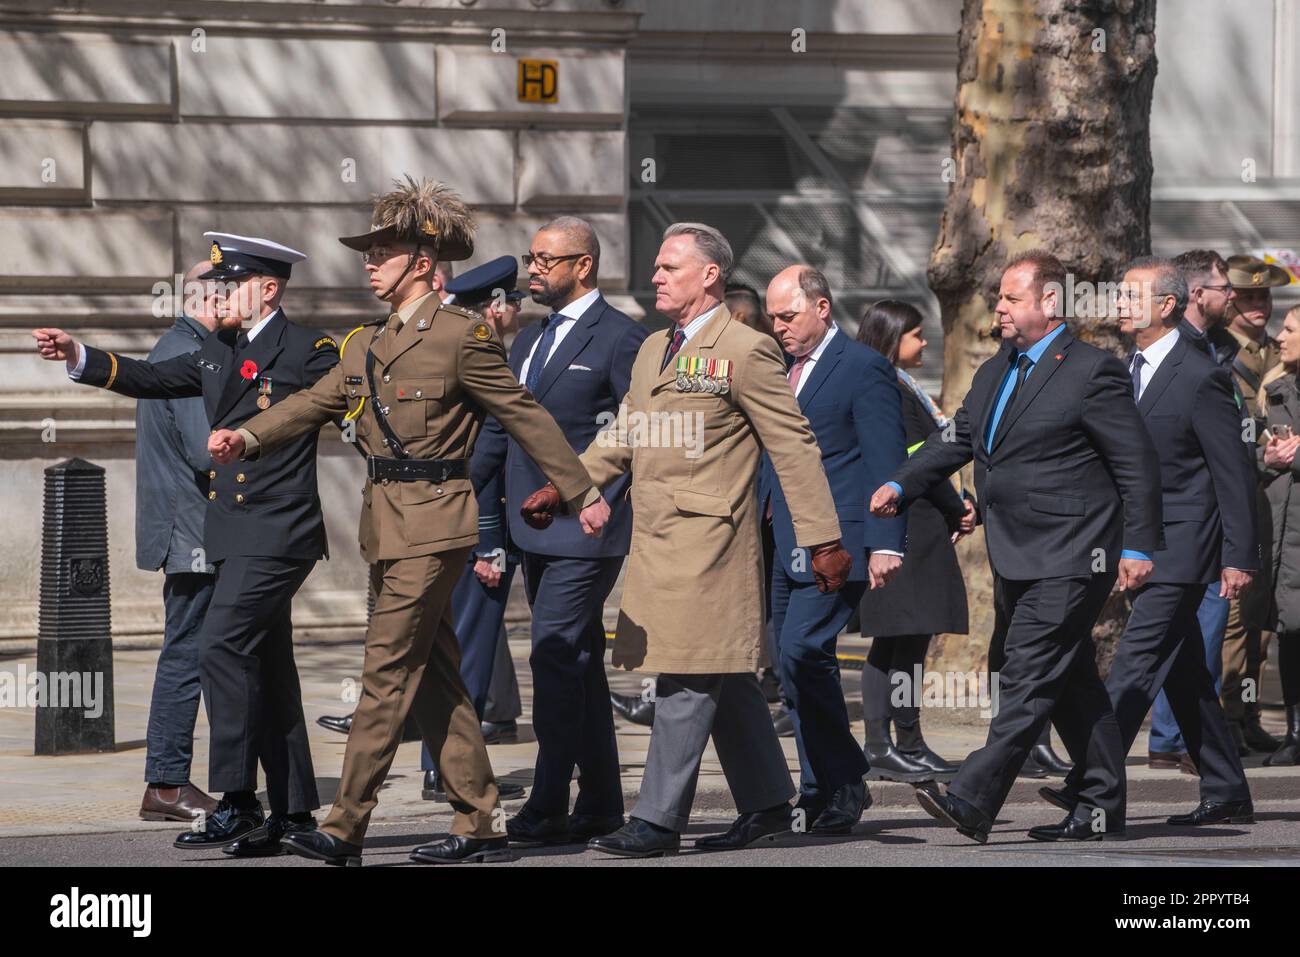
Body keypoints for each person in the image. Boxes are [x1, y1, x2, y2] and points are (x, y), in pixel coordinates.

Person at [207, 177, 609, 866]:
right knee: (434, 678)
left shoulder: (460, 337)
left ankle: (344, 826)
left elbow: (525, 416)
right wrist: (246, 437)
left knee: (386, 667)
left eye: (383, 251)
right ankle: (480, 819)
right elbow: (310, 403)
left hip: (437, 523)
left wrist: (582, 489)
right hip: (386, 525)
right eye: (368, 251)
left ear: (422, 262)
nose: (369, 262)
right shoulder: (366, 342)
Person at [528, 222, 852, 857]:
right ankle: (766, 806)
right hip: (656, 539)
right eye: (655, 268)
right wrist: (566, 486)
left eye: (668, 268)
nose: (655, 277)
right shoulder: (654, 349)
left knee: (685, 677)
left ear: (710, 276)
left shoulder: (748, 349)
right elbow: (624, 432)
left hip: (711, 544)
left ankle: (657, 819)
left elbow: (793, 448)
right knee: (721, 674)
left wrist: (823, 540)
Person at [34, 233, 332, 856]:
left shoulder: (310, 350)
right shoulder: (217, 350)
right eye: (215, 284)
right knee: (269, 667)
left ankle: (238, 803)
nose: (218, 295)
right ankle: (296, 811)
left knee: (220, 648)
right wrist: (80, 354)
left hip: (279, 531)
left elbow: (359, 415)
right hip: (231, 532)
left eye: (232, 284)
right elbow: (149, 376)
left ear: (268, 290)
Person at [871, 249, 1162, 843]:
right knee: (1071, 681)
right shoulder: (995, 369)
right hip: (1015, 553)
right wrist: (902, 483)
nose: (998, 308)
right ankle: (1101, 803)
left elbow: (1137, 466)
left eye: (1009, 297)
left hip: (1076, 554)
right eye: (999, 298)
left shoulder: (1091, 370)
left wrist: (1138, 546)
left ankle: (974, 797)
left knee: (1026, 675)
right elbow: (956, 440)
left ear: (1049, 303)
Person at [1036, 256, 1257, 837]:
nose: (1121, 303)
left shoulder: (1201, 373)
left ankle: (1093, 792)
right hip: (1138, 543)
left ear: (1166, 305)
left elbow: (1230, 471)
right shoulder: (1119, 368)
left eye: (1133, 295)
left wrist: (1238, 555)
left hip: (1184, 548)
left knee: (1131, 671)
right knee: (1184, 675)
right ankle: (1228, 790)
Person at [467, 217, 648, 847]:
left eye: (546, 260)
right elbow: (501, 428)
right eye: (531, 258)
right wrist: (459, 492)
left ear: (584, 265)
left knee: (550, 656)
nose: (532, 269)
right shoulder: (530, 341)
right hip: (529, 530)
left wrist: (601, 499)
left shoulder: (623, 337)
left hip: (585, 531)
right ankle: (600, 802)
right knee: (579, 663)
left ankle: (547, 802)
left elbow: (634, 431)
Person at [757, 266, 907, 832]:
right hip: (777, 535)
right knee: (792, 669)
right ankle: (819, 788)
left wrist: (886, 542)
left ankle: (846, 779)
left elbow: (885, 460)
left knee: (802, 653)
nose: (778, 327)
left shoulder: (863, 367)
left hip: (836, 542)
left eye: (788, 315)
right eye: (773, 317)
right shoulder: (779, 367)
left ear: (822, 308)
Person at [418, 255, 529, 804]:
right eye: (509, 304)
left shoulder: (446, 345)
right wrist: (487, 540)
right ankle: (452, 772)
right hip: (475, 527)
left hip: (450, 521)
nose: (513, 315)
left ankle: (440, 767)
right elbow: (482, 455)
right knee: (469, 651)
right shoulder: (482, 352)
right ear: (495, 307)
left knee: (449, 646)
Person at [855, 300, 973, 781]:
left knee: (906, 643)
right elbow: (919, 461)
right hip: (907, 528)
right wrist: (956, 507)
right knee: (899, 643)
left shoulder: (903, 385)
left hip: (918, 528)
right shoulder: (890, 390)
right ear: (890, 336)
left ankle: (906, 741)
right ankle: (887, 744)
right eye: (916, 334)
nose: (925, 343)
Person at [1148, 249, 1241, 771]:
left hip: (1200, 529)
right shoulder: (1172, 355)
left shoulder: (1214, 350)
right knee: (1164, 648)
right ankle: (1098, 773)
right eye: (1224, 286)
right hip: (1178, 533)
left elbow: (1223, 455)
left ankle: (1207, 766)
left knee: (1183, 650)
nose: (1231, 295)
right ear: (1195, 294)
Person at [135, 261, 222, 824]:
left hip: (190, 524)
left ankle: (213, 778)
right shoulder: (186, 354)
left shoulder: (179, 345)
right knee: (187, 653)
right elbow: (203, 449)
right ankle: (166, 784)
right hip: (191, 528)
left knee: (204, 650)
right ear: (209, 300)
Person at [1220, 254, 1290, 755]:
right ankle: (1223, 720)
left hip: (1275, 505)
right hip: (1242, 497)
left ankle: (1246, 718)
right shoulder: (1224, 355)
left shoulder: (1277, 353)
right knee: (1235, 623)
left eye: (1265, 296)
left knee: (1261, 623)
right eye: (1248, 297)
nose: (1259, 305)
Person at [1252, 304, 1300, 765]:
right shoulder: (1277, 389)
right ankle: (1294, 733)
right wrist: (1269, 457)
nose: (1278, 336)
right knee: (1290, 631)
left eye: (1288, 328)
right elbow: (1257, 457)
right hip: (1283, 532)